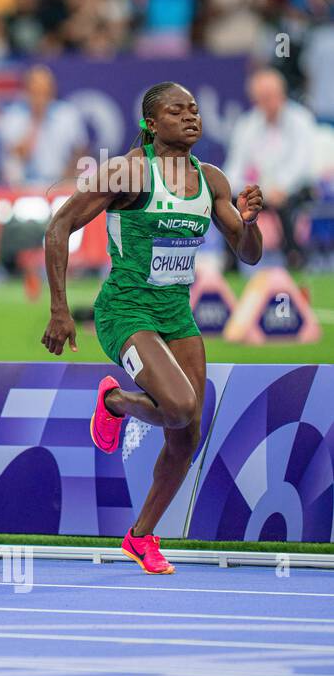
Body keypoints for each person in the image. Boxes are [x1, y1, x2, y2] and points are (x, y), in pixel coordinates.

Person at [41, 82, 263, 575]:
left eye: (195, 109)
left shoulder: (213, 180)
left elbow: (248, 254)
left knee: (188, 434)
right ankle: (114, 402)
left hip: (176, 316)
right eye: (176, 110)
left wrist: (248, 223)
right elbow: (58, 227)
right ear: (150, 123)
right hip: (125, 311)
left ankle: (141, 536)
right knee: (180, 406)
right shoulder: (127, 173)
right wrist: (59, 308)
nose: (190, 117)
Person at [223, 68, 317, 270]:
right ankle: (231, 261)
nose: (267, 102)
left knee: (282, 201)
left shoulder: (301, 120)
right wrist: (238, 189)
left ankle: (294, 257)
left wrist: (280, 186)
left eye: (270, 96)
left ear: (281, 93)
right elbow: (235, 166)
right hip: (259, 190)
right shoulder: (247, 124)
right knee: (227, 202)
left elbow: (300, 164)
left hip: (296, 188)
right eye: (261, 97)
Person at [0, 65, 88, 187]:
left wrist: (65, 179)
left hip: (63, 185)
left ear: (52, 91)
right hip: (24, 187)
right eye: (35, 92)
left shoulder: (68, 115)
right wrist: (36, 119)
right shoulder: (12, 117)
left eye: (44, 92)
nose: (40, 98)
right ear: (26, 91)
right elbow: (17, 157)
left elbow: (80, 152)